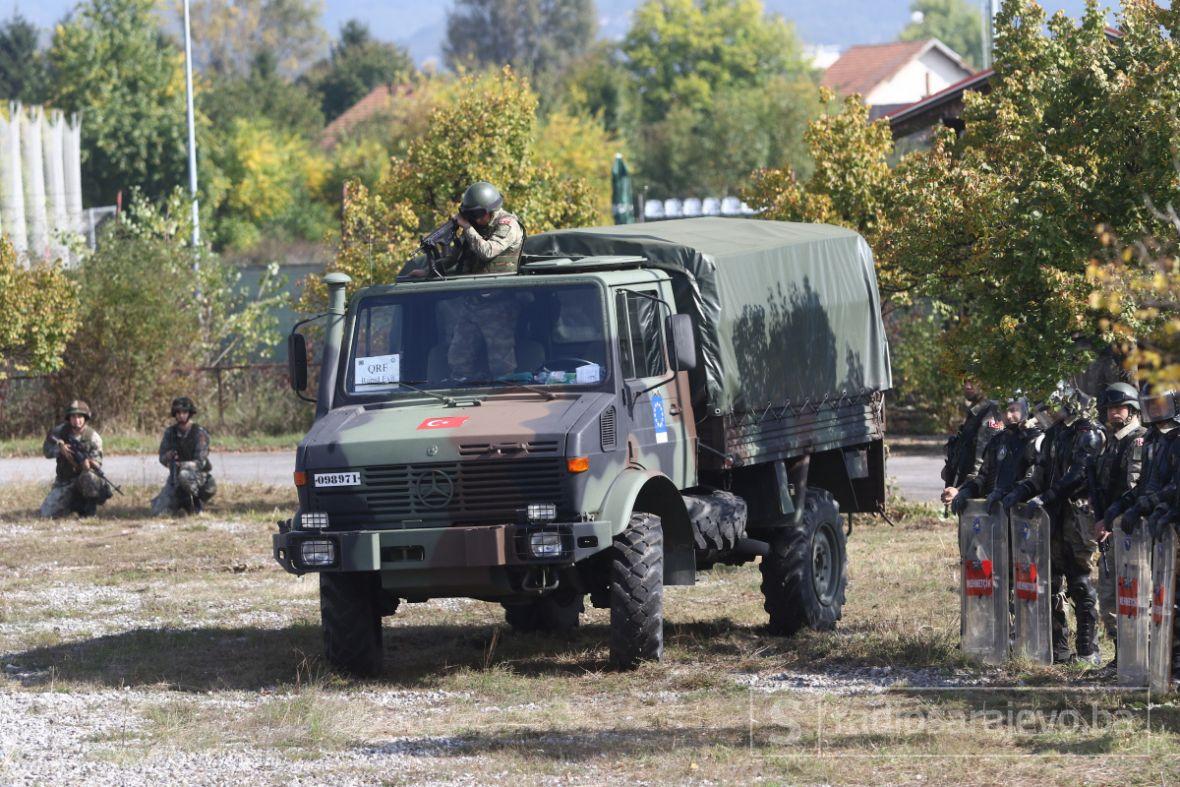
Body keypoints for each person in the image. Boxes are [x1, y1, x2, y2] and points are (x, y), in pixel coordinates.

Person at [1005, 383, 1105, 665]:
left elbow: (1078, 474)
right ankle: (1058, 649)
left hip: (1076, 516)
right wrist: (1019, 493)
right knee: (1050, 584)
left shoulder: (1089, 433)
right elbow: (1039, 473)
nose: (1048, 413)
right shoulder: (1053, 435)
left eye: (1052, 407)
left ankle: (1088, 651)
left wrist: (1046, 497)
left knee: (1080, 583)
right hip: (1050, 517)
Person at [446, 181, 526, 380]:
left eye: (477, 216)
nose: (474, 220)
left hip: (498, 302)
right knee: (458, 357)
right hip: (472, 301)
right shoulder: (473, 228)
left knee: (501, 362)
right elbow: (453, 259)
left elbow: (487, 251)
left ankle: (505, 398)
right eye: (470, 216)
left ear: (490, 211)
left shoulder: (507, 225)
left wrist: (466, 228)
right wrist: (427, 269)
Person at [1089, 382, 1147, 655]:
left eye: (1120, 407)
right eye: (1111, 408)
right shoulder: (1110, 443)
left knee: (1133, 595)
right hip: (1109, 530)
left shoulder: (1138, 440)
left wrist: (1111, 519)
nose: (1114, 413)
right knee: (1109, 597)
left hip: (1129, 531)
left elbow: (1133, 489)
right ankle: (1121, 654)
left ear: (1133, 409)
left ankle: (1137, 657)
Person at [951, 394, 1042, 515]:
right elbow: (983, 477)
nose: (1008, 416)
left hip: (1021, 514)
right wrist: (967, 490)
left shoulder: (1034, 441)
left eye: (1013, 410)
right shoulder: (998, 441)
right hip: (995, 512)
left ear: (1024, 409)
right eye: (1004, 410)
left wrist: (1006, 492)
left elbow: (1034, 480)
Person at [39, 400, 112, 517]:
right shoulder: (60, 431)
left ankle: (89, 510)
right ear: (69, 418)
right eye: (73, 417)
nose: (76, 420)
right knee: (46, 514)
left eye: (80, 417)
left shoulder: (93, 438)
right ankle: (72, 505)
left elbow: (97, 463)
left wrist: (86, 464)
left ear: (85, 418)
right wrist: (60, 449)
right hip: (64, 482)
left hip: (83, 479)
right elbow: (46, 451)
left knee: (90, 477)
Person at [941, 380, 1004, 507]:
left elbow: (982, 463)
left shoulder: (991, 415)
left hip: (979, 494)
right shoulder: (976, 412)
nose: (967, 386)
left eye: (974, 381)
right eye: (965, 381)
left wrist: (962, 489)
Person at [151, 397, 216, 515]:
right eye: (178, 413)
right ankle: (184, 502)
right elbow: (161, 457)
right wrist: (168, 456)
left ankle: (197, 504)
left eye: (184, 412)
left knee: (184, 475)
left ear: (190, 413)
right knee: (158, 512)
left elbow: (200, 462)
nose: (181, 415)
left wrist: (182, 465)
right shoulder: (170, 433)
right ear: (174, 414)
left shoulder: (199, 433)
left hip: (199, 479)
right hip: (175, 481)